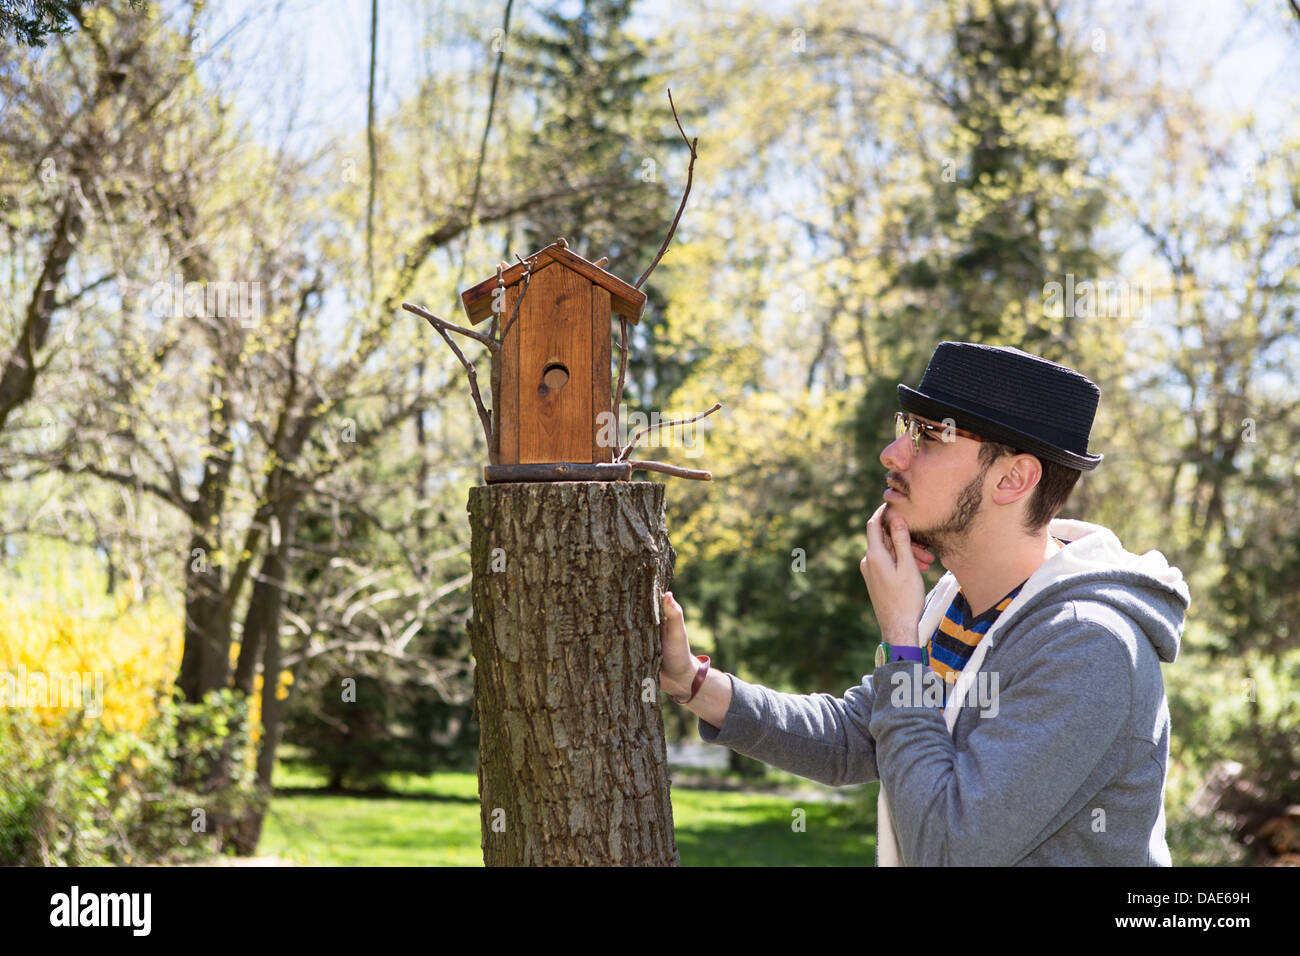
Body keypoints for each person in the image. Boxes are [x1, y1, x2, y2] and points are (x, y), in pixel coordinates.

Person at [659, 341, 1190, 866]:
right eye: (906, 428)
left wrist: (901, 640)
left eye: (930, 436)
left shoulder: (1087, 644)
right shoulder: (961, 601)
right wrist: (693, 684)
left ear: (1013, 479)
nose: (892, 454)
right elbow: (859, 738)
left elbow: (947, 849)